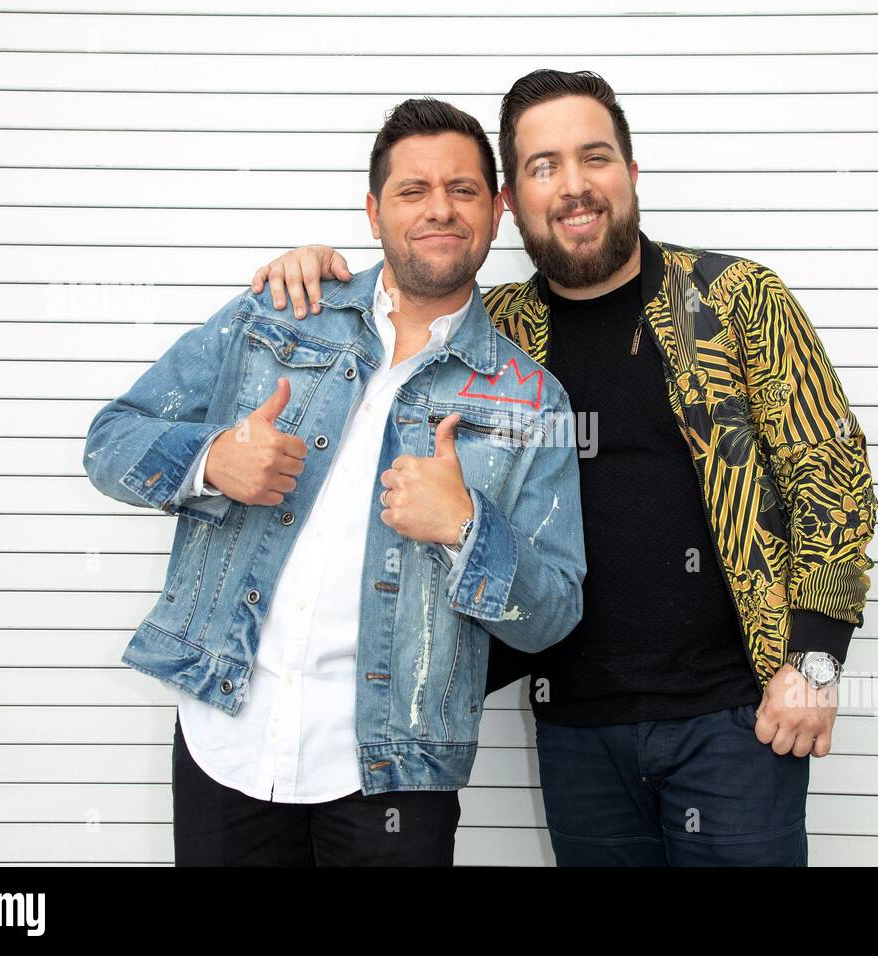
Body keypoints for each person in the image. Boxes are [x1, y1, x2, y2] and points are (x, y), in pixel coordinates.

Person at [250, 69, 878, 866]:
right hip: (574, 726)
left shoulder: (736, 299)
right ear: (512, 199)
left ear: (632, 172)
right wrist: (313, 271)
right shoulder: (497, 332)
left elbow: (832, 475)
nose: (575, 187)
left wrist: (815, 660)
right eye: (545, 167)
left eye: (596, 158)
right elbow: (397, 307)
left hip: (736, 720)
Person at [81, 97, 585, 866]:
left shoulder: (531, 400)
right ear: (374, 210)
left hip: (396, 762)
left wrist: (466, 530)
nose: (438, 209)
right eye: (412, 191)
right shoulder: (277, 315)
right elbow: (110, 441)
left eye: (463, 189)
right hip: (227, 734)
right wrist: (212, 459)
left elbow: (554, 613)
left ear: (498, 208)